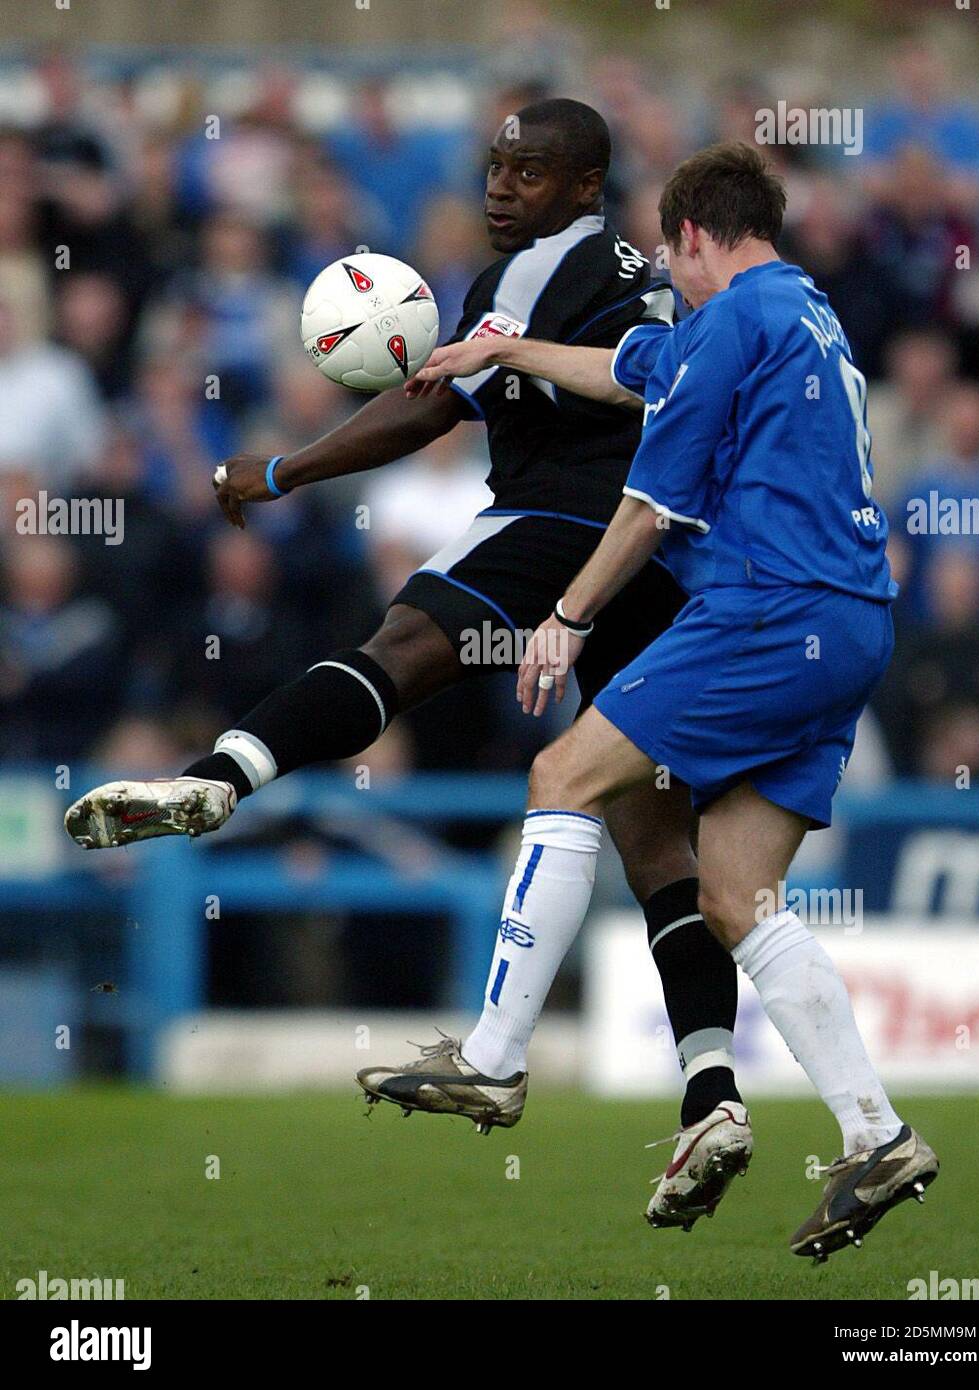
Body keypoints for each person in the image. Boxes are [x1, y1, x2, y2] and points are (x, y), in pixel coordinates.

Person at [65, 101, 751, 1231]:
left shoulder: (537, 272)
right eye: (493, 168)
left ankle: (219, 779)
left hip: (557, 518)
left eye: (528, 173)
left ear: (584, 186)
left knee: (397, 650)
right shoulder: (638, 268)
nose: (500, 189)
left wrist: (276, 471)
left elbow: (425, 406)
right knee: (653, 833)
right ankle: (712, 1092)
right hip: (664, 549)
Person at [405, 142, 939, 1259]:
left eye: (667, 251)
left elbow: (647, 504)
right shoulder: (796, 312)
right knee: (739, 895)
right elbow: (625, 367)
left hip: (764, 609)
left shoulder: (738, 320)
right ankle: (878, 1133)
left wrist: (568, 614)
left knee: (562, 775)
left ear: (694, 234)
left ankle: (494, 1058)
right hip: (848, 624)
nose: (663, 268)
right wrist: (496, 349)